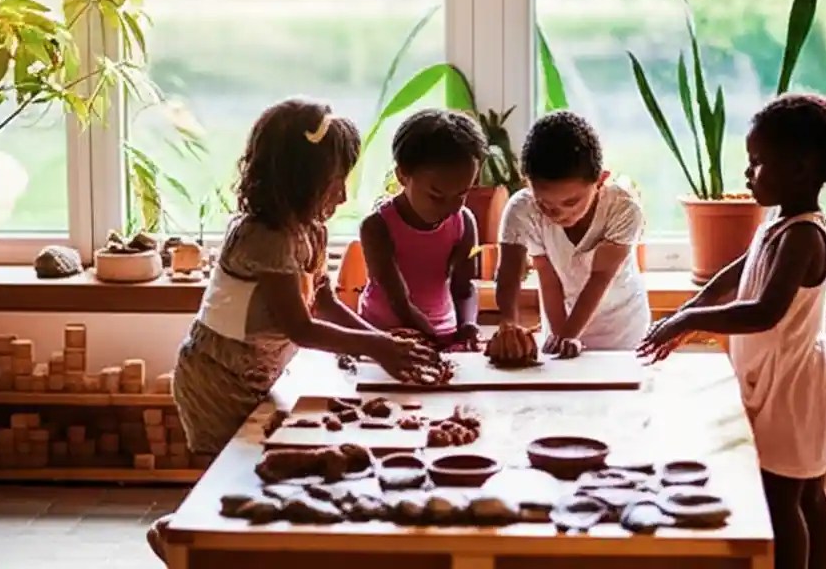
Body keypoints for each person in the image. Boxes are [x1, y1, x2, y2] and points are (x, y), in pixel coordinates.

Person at [147, 98, 435, 561]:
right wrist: (377, 345)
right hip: (215, 380)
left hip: (260, 375)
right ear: (299, 180)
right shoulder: (264, 235)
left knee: (265, 474)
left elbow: (323, 301)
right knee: (233, 480)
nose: (342, 196)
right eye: (335, 181)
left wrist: (377, 342)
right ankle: (180, 537)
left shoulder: (311, 229)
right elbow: (300, 326)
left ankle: (197, 537)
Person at [638, 93, 826, 569]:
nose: (747, 173)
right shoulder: (777, 225)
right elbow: (736, 273)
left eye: (758, 162)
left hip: (797, 382)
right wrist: (691, 306)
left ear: (800, 169)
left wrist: (691, 321)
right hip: (780, 374)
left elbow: (763, 312)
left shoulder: (803, 235)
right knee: (804, 493)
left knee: (788, 500)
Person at [495, 110, 650, 356]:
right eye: (545, 203)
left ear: (600, 180)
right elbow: (542, 277)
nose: (557, 213)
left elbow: (600, 277)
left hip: (622, 332)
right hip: (560, 323)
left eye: (571, 202)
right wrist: (555, 336)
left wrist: (568, 335)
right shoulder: (522, 209)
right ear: (528, 183)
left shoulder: (623, 207)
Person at [358, 108, 486, 351]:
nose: (450, 207)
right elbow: (400, 303)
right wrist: (434, 341)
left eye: (462, 194)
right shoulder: (377, 227)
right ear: (403, 176)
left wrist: (468, 326)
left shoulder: (464, 222)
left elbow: (464, 286)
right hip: (384, 337)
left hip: (443, 334)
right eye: (436, 196)